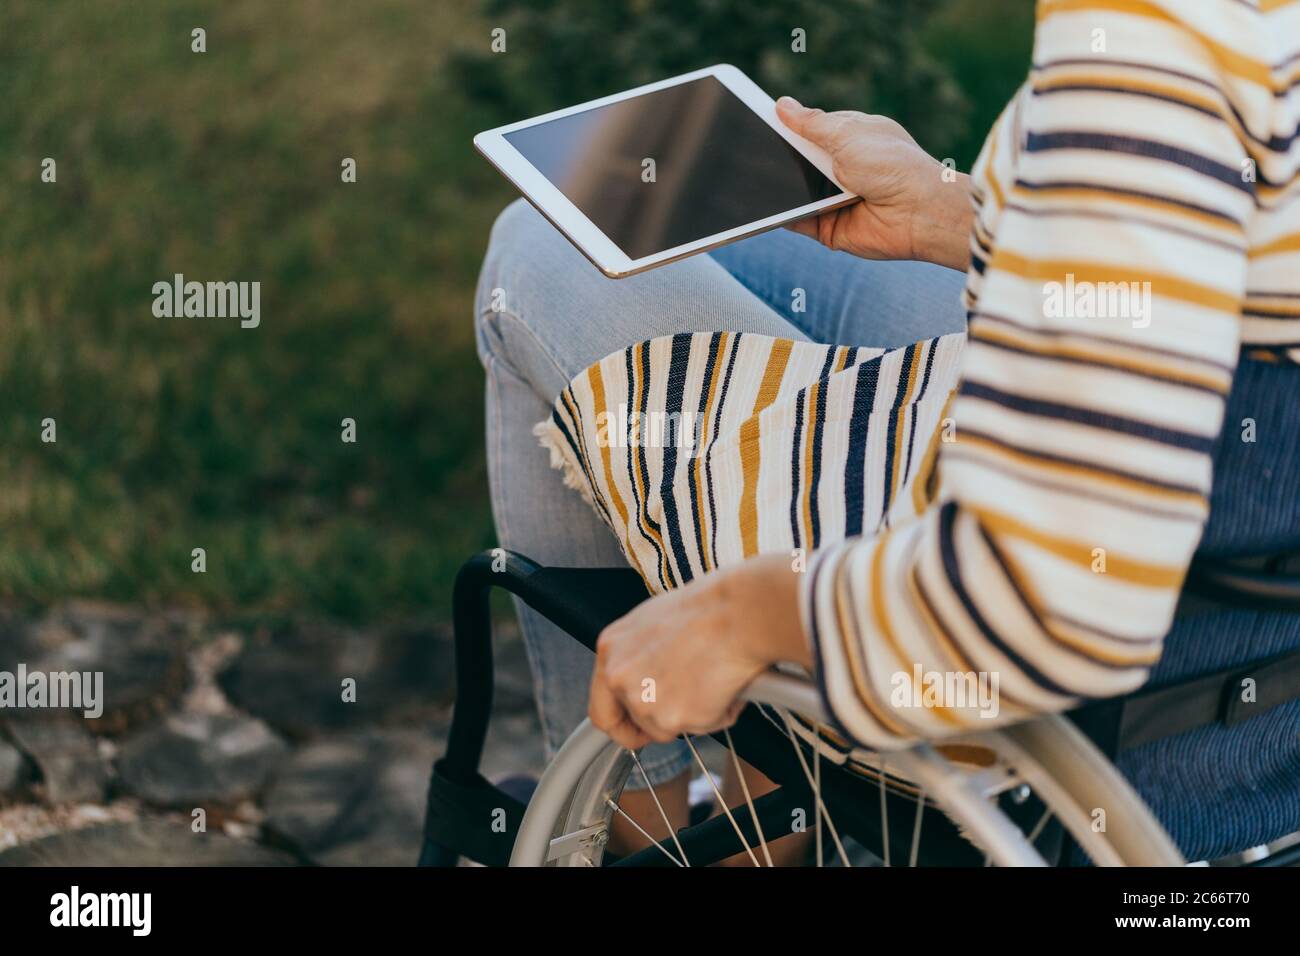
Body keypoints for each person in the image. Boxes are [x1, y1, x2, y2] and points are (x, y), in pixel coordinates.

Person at [476, 0, 1300, 859]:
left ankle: (643, 824)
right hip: (1252, 673)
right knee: (742, 247)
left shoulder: (1148, 48)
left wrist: (736, 617)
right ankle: (765, 812)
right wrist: (952, 214)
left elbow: (1042, 598)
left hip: (1043, 698)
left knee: (539, 252)